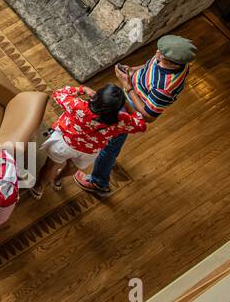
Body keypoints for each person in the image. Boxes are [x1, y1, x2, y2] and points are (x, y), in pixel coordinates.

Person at [77, 35, 196, 196]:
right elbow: (150, 65)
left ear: (174, 63)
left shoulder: (164, 88)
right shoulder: (173, 60)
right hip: (129, 98)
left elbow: (148, 116)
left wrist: (127, 87)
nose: (156, 53)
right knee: (113, 140)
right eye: (158, 50)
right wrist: (132, 70)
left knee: (109, 146)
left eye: (161, 54)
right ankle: (109, 158)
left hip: (132, 107)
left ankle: (98, 183)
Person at [31, 83, 145, 198]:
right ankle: (58, 179)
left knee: (50, 167)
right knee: (72, 167)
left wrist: (83, 89)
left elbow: (58, 93)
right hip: (89, 152)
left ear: (97, 96)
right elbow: (141, 124)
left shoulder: (79, 106)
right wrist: (125, 103)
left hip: (65, 143)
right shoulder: (121, 120)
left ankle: (39, 188)